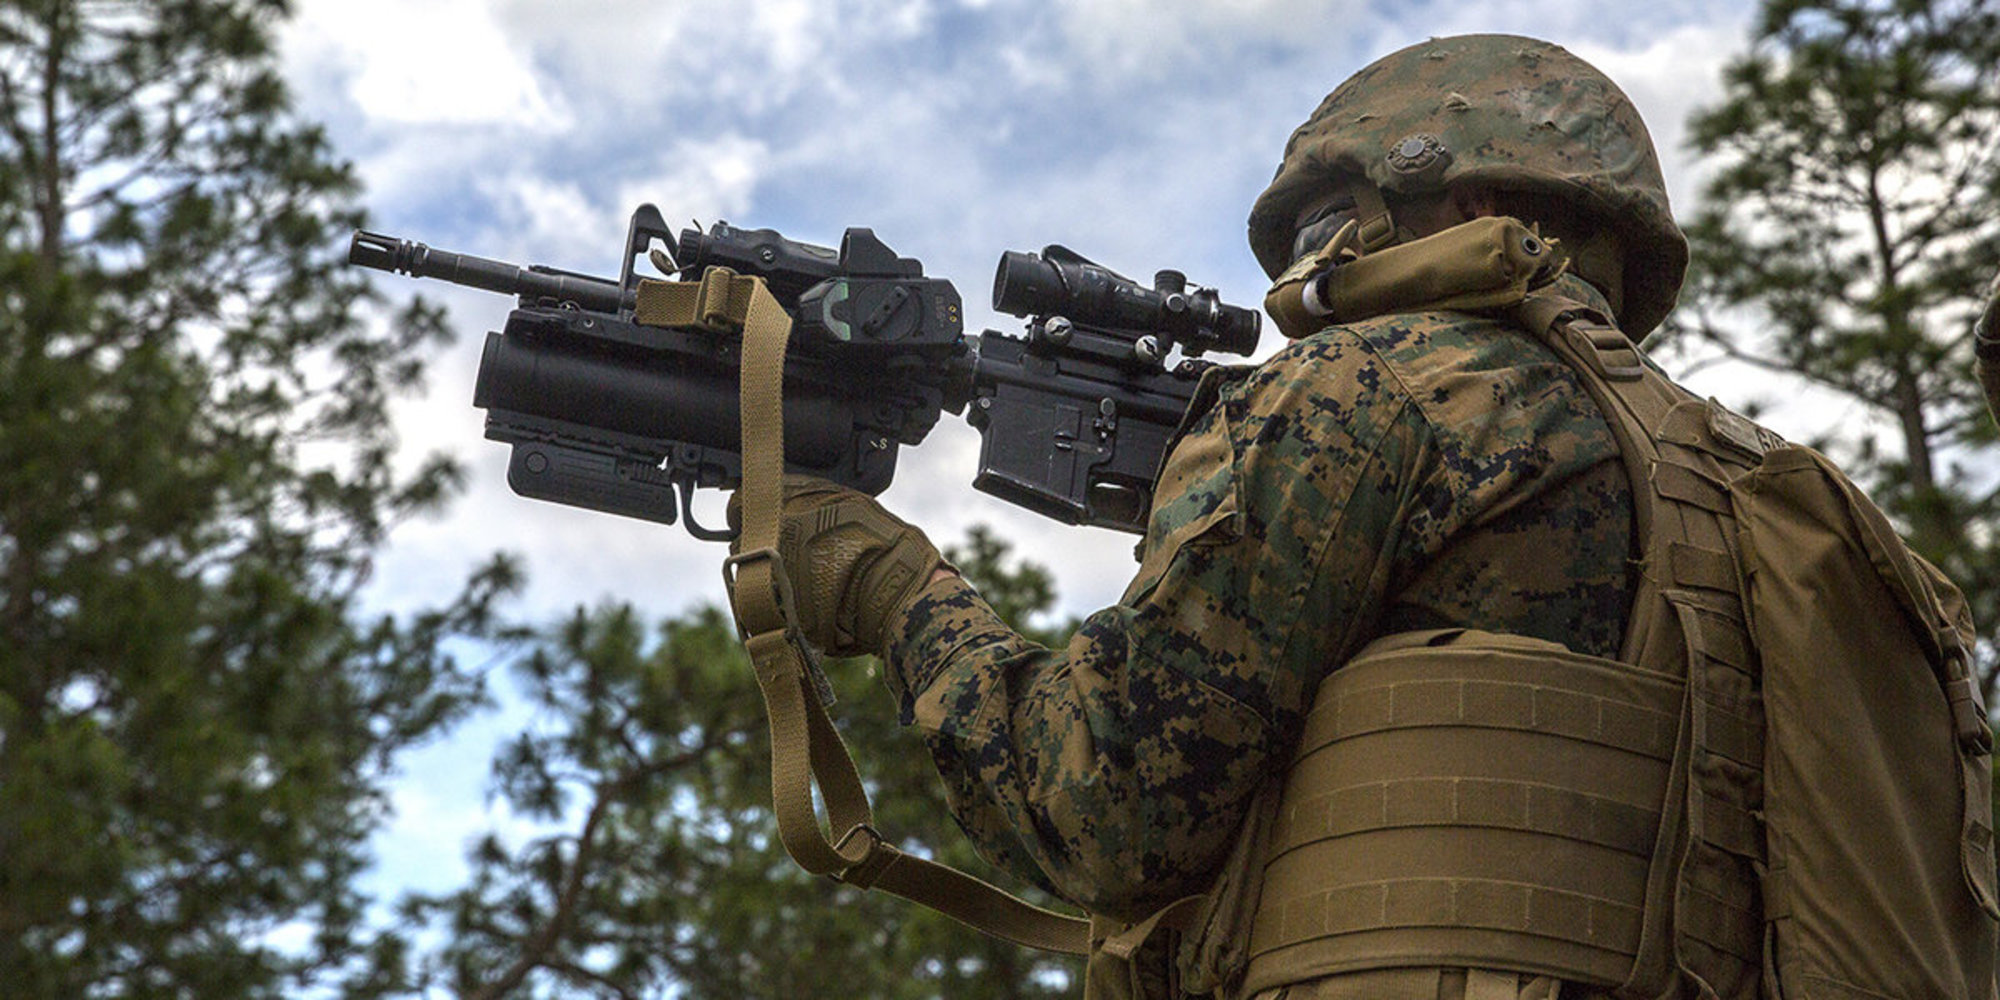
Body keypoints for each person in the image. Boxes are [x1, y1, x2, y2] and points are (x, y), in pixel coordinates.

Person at [728, 34, 1965, 1000]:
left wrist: (891, 591)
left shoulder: (1365, 390)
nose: (1298, 279)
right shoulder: (1764, 497)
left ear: (1455, 202)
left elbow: (1100, 806)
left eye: (1327, 225)